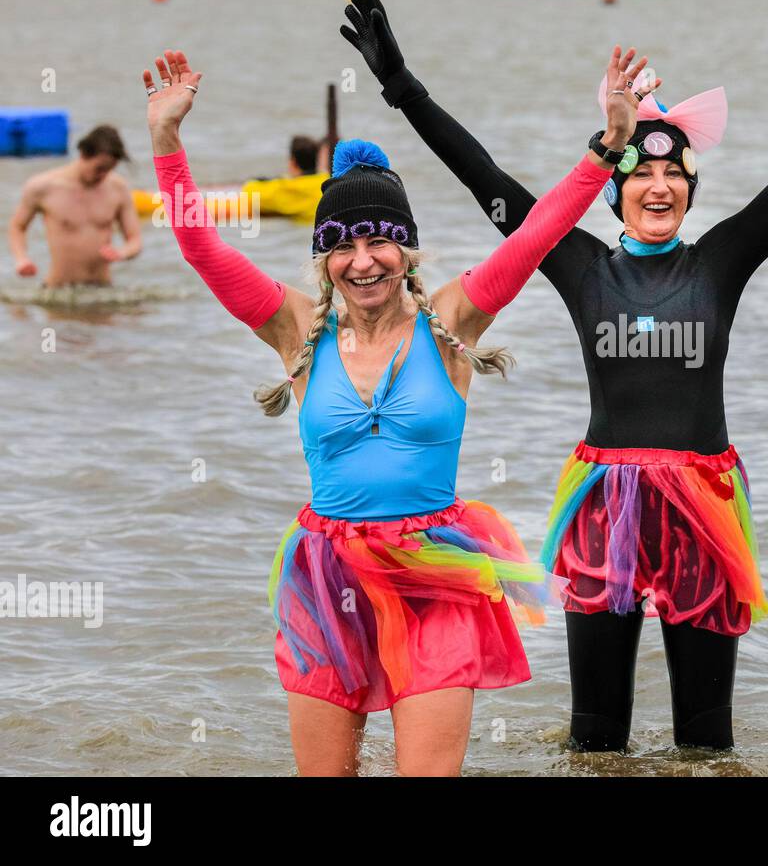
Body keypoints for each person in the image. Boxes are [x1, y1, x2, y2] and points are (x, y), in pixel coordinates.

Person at [342, 0, 768, 751]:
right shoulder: (578, 264)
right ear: (615, 190)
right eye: (643, 175)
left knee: (707, 745)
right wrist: (400, 84)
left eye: (675, 173)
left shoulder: (723, 263)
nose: (659, 186)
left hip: (705, 505)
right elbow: (487, 180)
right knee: (596, 741)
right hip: (603, 506)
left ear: (690, 187)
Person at [143, 46, 651, 775]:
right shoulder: (295, 327)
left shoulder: (452, 320)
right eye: (343, 245)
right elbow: (199, 246)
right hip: (326, 573)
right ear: (323, 259)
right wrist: (166, 139)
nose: (364, 261)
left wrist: (611, 143)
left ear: (406, 248)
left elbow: (538, 232)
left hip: (434, 575)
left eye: (380, 239)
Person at [8, 124, 142, 286]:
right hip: (58, 289)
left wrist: (122, 253)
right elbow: (17, 227)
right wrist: (22, 259)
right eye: (99, 168)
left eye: (110, 169)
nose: (104, 175)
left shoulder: (118, 188)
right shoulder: (42, 187)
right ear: (83, 154)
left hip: (103, 289)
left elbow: (135, 240)